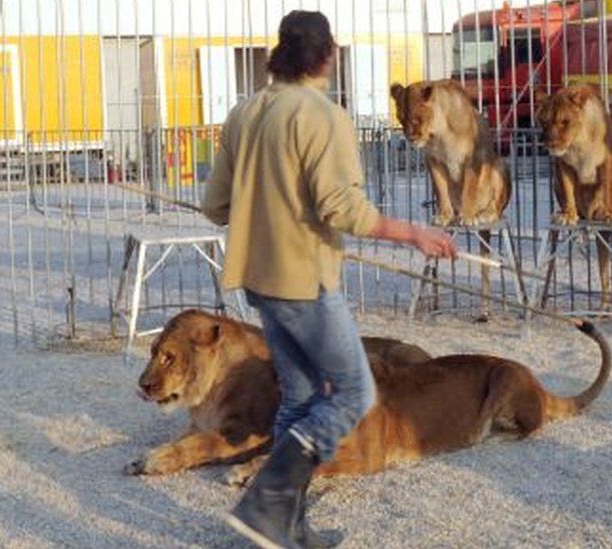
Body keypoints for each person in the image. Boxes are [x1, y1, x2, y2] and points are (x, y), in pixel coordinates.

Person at [201, 10, 457, 548]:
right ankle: (268, 502)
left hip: (259, 280)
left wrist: (265, 200)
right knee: (353, 394)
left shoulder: (244, 113)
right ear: (328, 56)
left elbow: (216, 206)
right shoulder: (325, 116)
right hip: (304, 281)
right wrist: (415, 233)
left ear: (277, 55)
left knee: (299, 399)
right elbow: (344, 210)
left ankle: (288, 528)